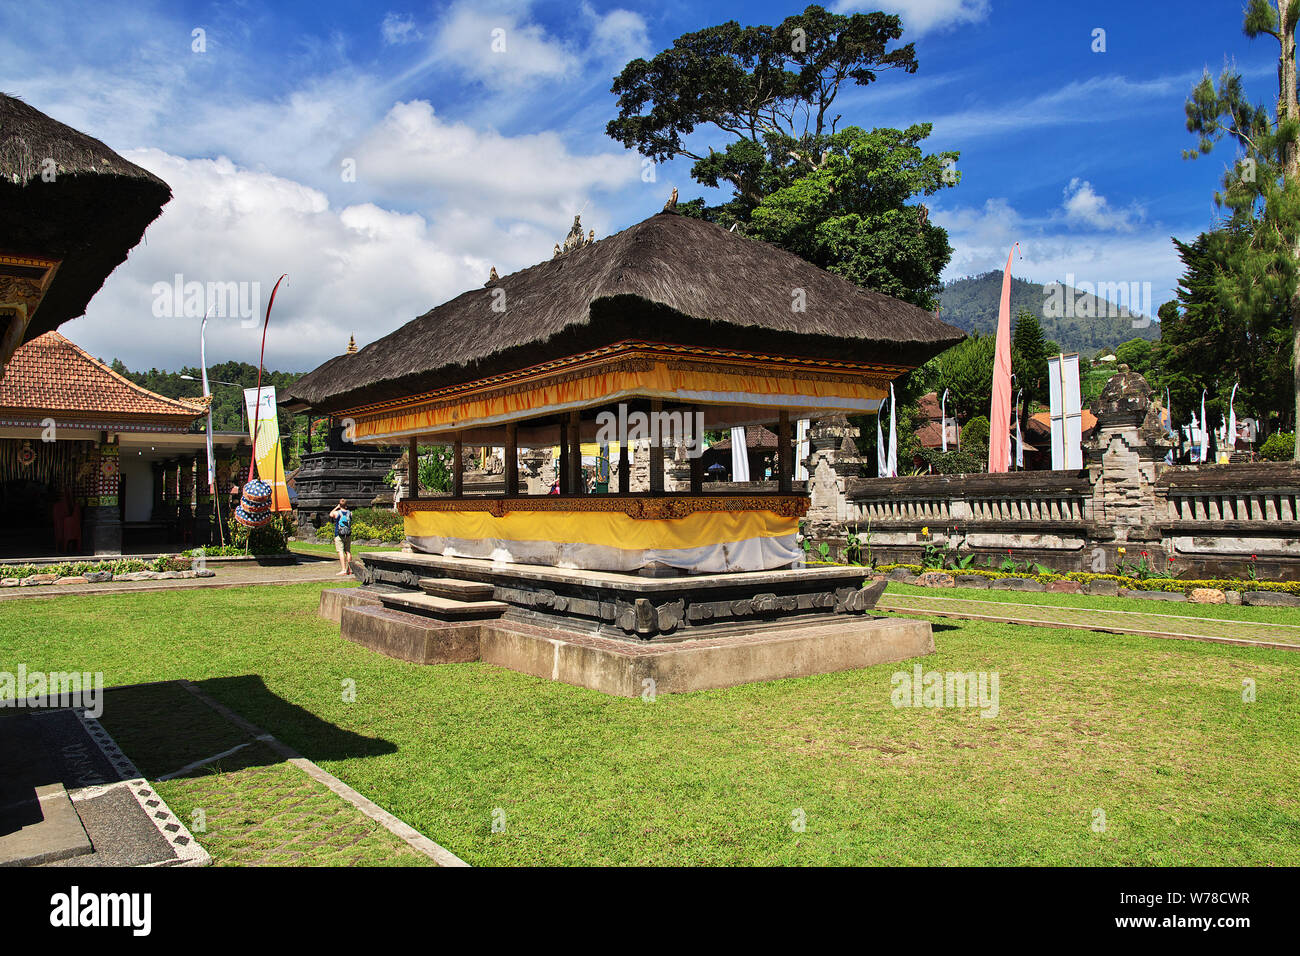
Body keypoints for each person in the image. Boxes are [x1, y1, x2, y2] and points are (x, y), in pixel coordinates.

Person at [329, 498, 353, 575]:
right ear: (346, 505)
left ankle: (343, 569)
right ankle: (349, 569)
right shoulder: (350, 513)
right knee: (348, 551)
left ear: (340, 505)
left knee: (340, 551)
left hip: (339, 534)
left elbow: (330, 514)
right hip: (348, 534)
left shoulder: (337, 513)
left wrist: (337, 507)